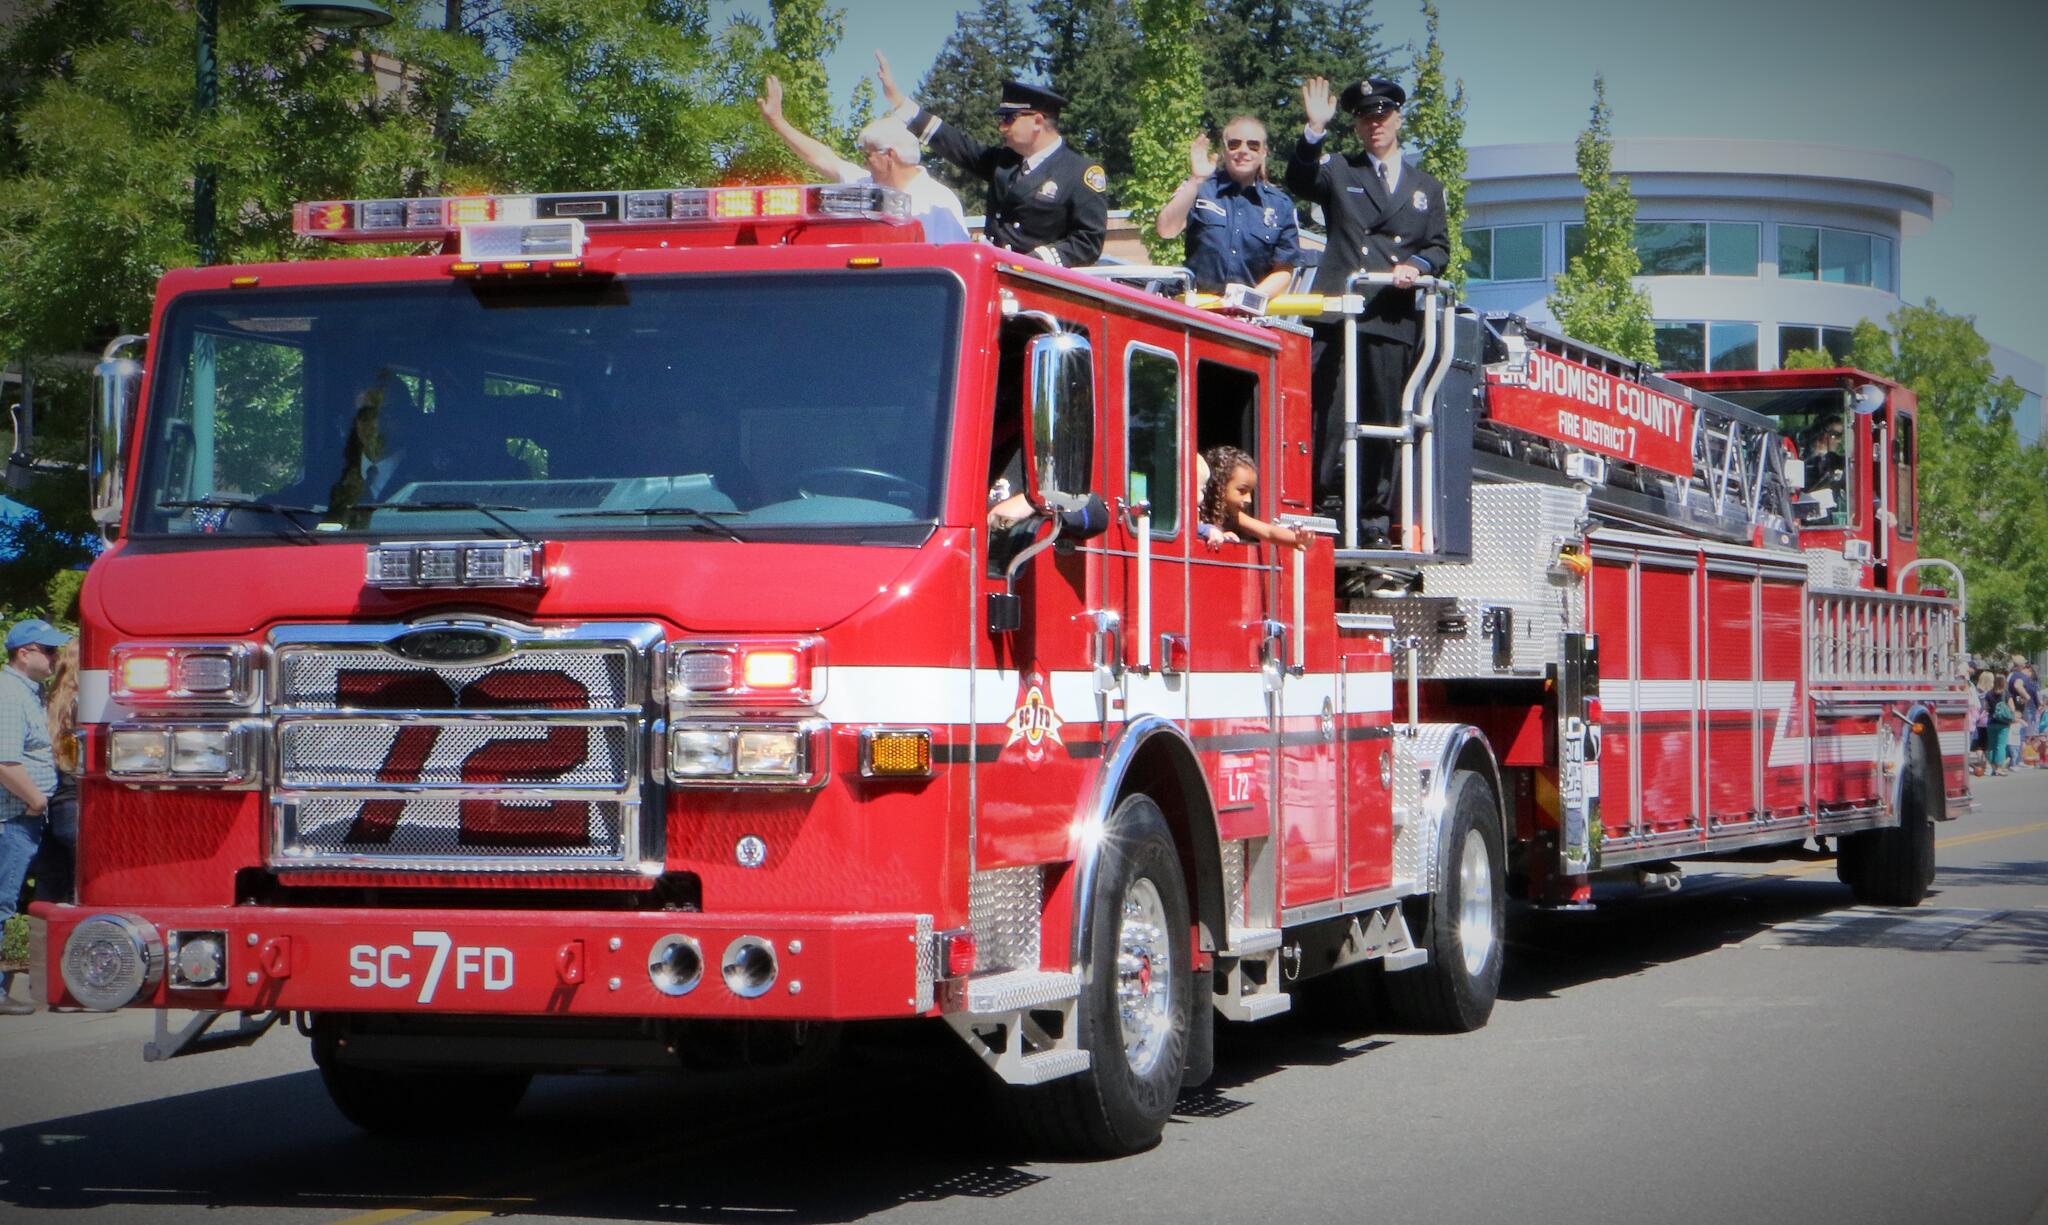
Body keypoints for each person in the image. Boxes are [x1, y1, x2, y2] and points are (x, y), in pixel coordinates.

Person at [1286, 75, 1449, 546]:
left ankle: (1373, 520)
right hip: (1340, 312)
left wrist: (1416, 266)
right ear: (1355, 126)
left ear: (1398, 118)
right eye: (1364, 117)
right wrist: (1314, 130)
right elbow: (1299, 179)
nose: (1374, 124)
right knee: (1328, 418)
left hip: (1390, 315)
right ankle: (1320, 507)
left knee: (1382, 419)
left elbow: (1439, 247)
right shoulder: (1340, 168)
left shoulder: (1425, 186)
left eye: (1382, 115)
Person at [876, 51, 1108, 268]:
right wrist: (899, 102)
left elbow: (1088, 242)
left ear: (1037, 121)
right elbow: (954, 143)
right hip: (995, 276)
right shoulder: (1004, 163)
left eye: (1009, 119)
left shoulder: (1080, 173)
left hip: (1039, 286)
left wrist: (1038, 259)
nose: (1001, 127)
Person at [756, 75, 971, 245]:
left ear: (890, 154)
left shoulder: (938, 201)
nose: (865, 163)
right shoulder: (864, 185)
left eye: (867, 155)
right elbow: (823, 158)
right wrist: (777, 122)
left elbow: (955, 265)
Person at [0, 617, 68, 1015]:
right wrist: (36, 800)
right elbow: (6, 762)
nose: (55, 657)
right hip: (14, 817)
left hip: (24, 816)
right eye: (49, 651)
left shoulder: (29, 691)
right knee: (3, 902)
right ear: (25, 654)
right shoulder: (9, 694)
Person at [1155, 119, 1300, 297]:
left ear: (1264, 153)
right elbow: (1166, 230)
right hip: (1194, 307)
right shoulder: (1200, 188)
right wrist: (1195, 180)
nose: (1243, 151)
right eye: (1234, 144)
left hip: (1245, 317)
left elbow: (1284, 269)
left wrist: (1246, 302)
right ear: (1224, 151)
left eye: (1253, 145)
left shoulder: (1280, 205)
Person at [32, 639, 78, 907]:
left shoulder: (49, 702)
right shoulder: (86, 706)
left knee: (51, 883)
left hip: (54, 798)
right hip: (76, 803)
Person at [1198, 445, 1309, 552]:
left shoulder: (1235, 516)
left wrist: (1297, 539)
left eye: (1250, 492)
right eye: (1242, 490)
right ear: (1219, 487)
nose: (1248, 499)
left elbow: (1269, 531)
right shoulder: (1197, 511)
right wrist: (1215, 533)